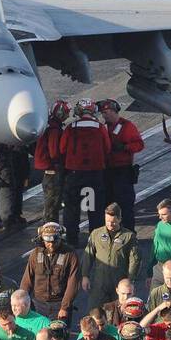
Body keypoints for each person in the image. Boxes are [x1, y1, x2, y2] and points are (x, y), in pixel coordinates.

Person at [58, 98, 110, 248]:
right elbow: (107, 148)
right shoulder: (100, 127)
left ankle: (72, 239)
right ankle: (95, 241)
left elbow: (62, 149)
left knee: (71, 208)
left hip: (74, 174)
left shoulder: (71, 127)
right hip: (95, 174)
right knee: (95, 209)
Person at [82, 204, 140, 315]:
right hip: (100, 282)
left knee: (120, 312)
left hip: (119, 282)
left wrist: (130, 280)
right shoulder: (96, 234)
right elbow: (88, 255)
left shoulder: (129, 236)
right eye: (107, 221)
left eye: (113, 222)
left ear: (120, 219)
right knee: (93, 312)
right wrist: (85, 275)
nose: (110, 224)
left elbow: (135, 260)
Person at [22, 221, 80, 323]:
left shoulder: (70, 255)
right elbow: (27, 279)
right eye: (48, 242)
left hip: (59, 305)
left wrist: (64, 307)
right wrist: (22, 300)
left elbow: (73, 283)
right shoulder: (35, 254)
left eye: (55, 242)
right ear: (42, 240)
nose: (51, 245)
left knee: (58, 336)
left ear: (60, 239)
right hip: (38, 305)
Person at [98, 99, 144, 228]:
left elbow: (139, 144)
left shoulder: (127, 126)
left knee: (125, 204)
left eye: (106, 112)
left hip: (122, 171)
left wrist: (125, 147)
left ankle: (129, 230)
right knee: (107, 203)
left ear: (114, 111)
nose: (104, 115)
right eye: (103, 113)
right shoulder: (104, 127)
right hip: (107, 171)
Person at [35, 100, 69, 224]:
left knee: (51, 202)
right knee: (52, 203)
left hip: (48, 171)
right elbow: (54, 151)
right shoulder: (55, 129)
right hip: (53, 171)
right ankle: (50, 227)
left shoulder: (49, 125)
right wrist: (61, 162)